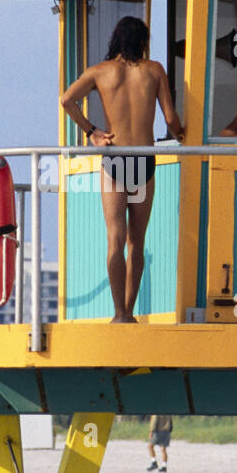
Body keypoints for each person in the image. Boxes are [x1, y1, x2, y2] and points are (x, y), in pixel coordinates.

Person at [60, 16, 184, 323]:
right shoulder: (154, 70)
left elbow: (67, 100)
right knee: (136, 241)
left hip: (116, 157)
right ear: (142, 41)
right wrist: (182, 134)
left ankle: (118, 313)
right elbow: (170, 119)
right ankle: (130, 309)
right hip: (143, 158)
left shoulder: (100, 72)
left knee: (114, 237)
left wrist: (91, 131)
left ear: (115, 40)